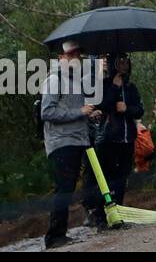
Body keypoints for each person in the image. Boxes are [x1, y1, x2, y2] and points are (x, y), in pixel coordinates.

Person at [40, 40, 103, 249]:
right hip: (60, 142)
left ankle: (60, 233)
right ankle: (54, 236)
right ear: (61, 58)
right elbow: (46, 112)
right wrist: (79, 112)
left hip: (76, 140)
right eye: (71, 55)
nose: (75, 58)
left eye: (78, 55)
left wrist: (89, 114)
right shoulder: (54, 80)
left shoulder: (74, 81)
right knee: (64, 189)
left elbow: (74, 111)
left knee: (67, 188)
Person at [93, 53, 143, 210]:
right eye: (120, 61)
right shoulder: (104, 85)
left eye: (127, 62)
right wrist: (114, 87)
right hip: (109, 138)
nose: (125, 65)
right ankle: (103, 211)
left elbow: (139, 110)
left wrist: (127, 109)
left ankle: (119, 210)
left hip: (127, 139)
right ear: (113, 64)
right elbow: (101, 106)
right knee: (107, 177)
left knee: (122, 177)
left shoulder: (131, 87)